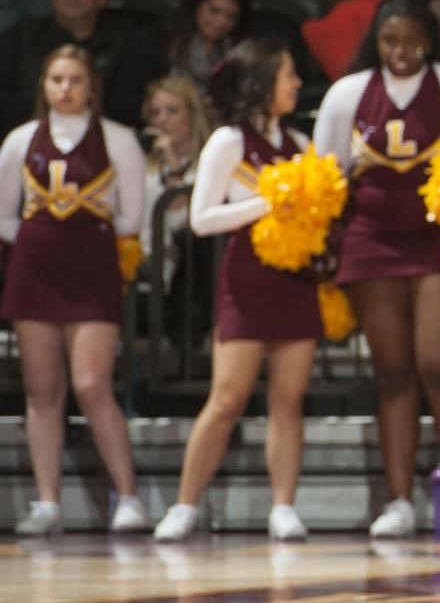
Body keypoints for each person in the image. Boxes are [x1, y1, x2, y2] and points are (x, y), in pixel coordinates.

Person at [312, 0, 440, 538]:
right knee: (394, 371)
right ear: (375, 42)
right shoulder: (347, 94)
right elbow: (324, 171)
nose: (400, 51)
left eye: (410, 40)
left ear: (429, 38)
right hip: (370, 240)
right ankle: (398, 500)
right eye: (389, 41)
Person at [153, 38, 320, 542]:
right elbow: (203, 219)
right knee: (226, 398)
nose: (295, 84)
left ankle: (283, 507)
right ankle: (185, 505)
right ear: (261, 82)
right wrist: (270, 203)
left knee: (289, 400)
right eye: (287, 74)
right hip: (246, 279)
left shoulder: (301, 145)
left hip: (297, 279)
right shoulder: (228, 142)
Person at [0, 46, 149, 536]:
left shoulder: (119, 140)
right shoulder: (20, 141)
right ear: (43, 85)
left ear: (92, 87)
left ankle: (127, 496)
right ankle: (47, 503)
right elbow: (3, 213)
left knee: (90, 383)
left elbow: (132, 214)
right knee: (42, 390)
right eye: (56, 79)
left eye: (75, 79)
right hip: (35, 268)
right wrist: (40, 238)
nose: (65, 88)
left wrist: (80, 234)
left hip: (92, 266)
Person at [0, 0, 144, 130]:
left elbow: (128, 105)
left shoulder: (128, 39)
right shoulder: (21, 36)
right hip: (26, 133)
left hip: (102, 137)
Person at [139, 75, 210, 296]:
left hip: (190, 276)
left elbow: (182, 214)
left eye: (172, 111)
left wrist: (173, 162)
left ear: (192, 114)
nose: (162, 120)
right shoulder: (142, 165)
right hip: (142, 266)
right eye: (155, 112)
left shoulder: (208, 163)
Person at [129, 0, 257, 87]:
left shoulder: (239, 52)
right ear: (196, 4)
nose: (220, 22)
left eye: (231, 17)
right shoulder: (154, 41)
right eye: (214, 10)